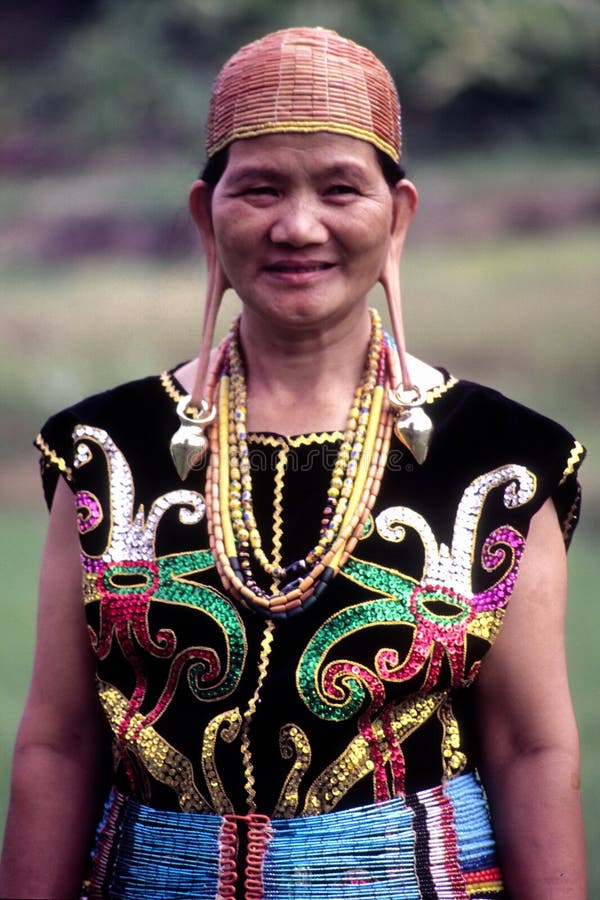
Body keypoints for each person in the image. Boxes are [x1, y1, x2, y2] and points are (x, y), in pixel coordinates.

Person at [0, 26, 587, 900]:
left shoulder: (502, 460)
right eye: (260, 188)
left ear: (399, 214)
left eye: (340, 188)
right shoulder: (101, 451)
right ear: (206, 214)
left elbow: (530, 748)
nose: (298, 226)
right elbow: (58, 743)